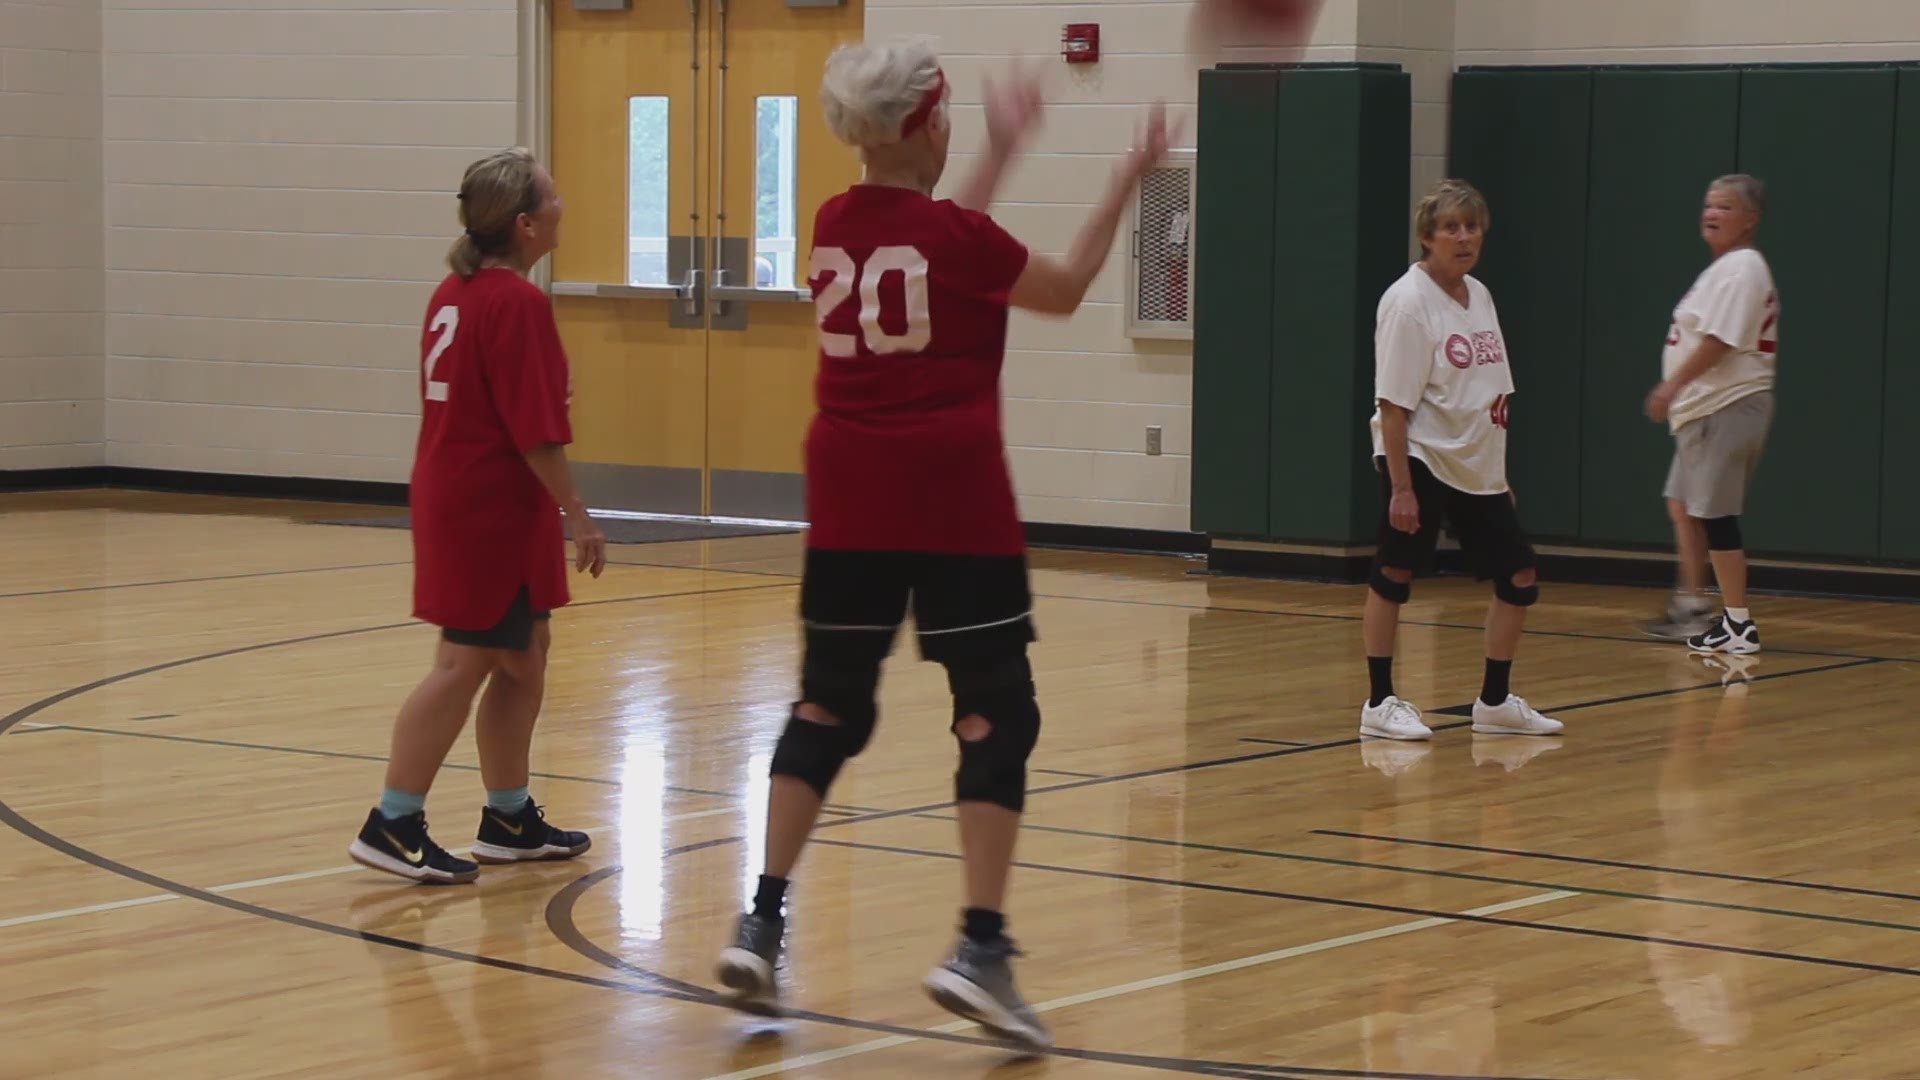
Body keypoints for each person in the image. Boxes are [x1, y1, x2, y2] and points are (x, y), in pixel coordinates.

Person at [710, 40, 1172, 1049]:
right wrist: (1127, 185)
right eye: (953, 117)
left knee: (827, 703)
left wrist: (1002, 150)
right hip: (954, 496)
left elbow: (937, 237)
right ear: (925, 125)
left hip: (848, 493)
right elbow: (1061, 286)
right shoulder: (955, 238)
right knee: (993, 708)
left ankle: (761, 921)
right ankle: (981, 946)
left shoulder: (833, 223)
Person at [347, 147, 608, 885]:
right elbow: (535, 433)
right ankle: (392, 820)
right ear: (526, 224)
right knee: (464, 663)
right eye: (552, 198)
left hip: (476, 494)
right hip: (482, 503)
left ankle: (508, 817)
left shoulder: (455, 292)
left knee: (524, 657)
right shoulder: (515, 303)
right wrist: (580, 515)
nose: (563, 206)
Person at [1358, 179, 1564, 743]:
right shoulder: (1407, 302)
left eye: (1472, 226)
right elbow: (1393, 405)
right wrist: (1401, 487)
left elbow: (1490, 392)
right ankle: (1379, 702)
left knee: (1519, 576)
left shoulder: (1479, 294)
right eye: (1451, 226)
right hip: (1421, 455)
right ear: (1428, 236)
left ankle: (1495, 702)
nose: (1464, 236)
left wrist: (1496, 476)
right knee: (1396, 572)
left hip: (1476, 461)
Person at [1641, 175, 1777, 655]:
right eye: (1708, 204)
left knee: (1717, 515)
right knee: (1683, 503)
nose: (1711, 213)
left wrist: (1671, 385)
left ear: (1750, 220)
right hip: (1704, 409)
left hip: (1729, 403)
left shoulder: (1743, 267)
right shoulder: (1723, 268)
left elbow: (1720, 340)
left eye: (1724, 206)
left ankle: (1738, 622)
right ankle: (1692, 603)